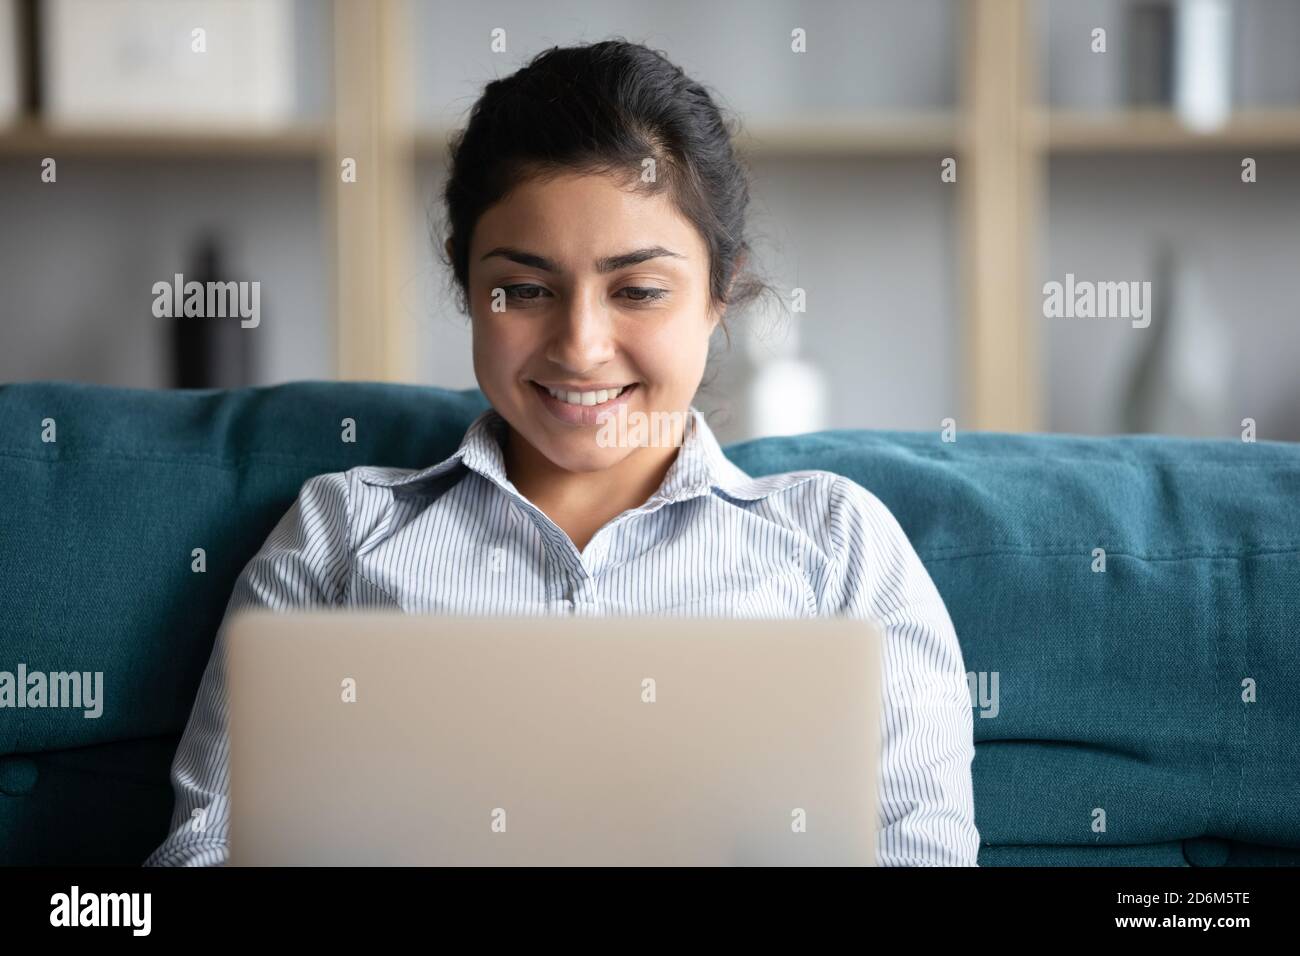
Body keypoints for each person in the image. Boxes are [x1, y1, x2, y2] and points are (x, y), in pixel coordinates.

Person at [144, 38, 979, 867]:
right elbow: (208, 850)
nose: (580, 347)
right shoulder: (340, 538)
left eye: (638, 290)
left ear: (721, 292)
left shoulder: (837, 550)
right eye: (524, 289)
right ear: (467, 284)